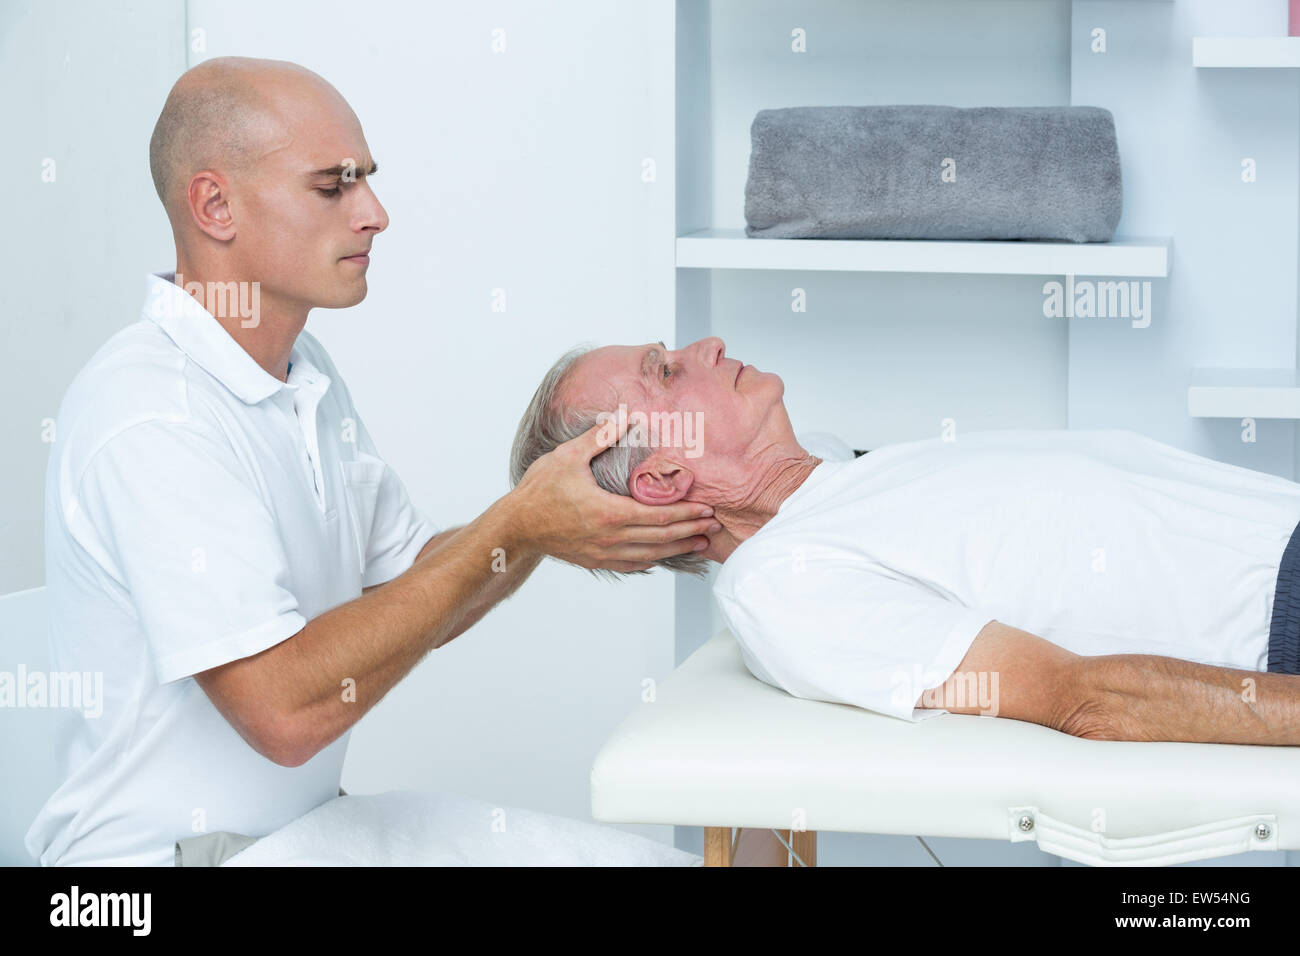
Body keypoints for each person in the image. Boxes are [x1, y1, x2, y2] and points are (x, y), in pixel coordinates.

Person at [27, 57, 717, 866]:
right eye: (333, 188)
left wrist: (543, 518)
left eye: (368, 183)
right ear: (215, 205)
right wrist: (522, 519)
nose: (376, 214)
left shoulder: (303, 372)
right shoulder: (151, 415)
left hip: (304, 834)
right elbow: (283, 712)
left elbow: (418, 583)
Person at [510, 337, 1300, 745]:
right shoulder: (783, 585)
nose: (708, 346)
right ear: (664, 478)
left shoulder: (828, 477)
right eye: (668, 372)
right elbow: (1083, 699)